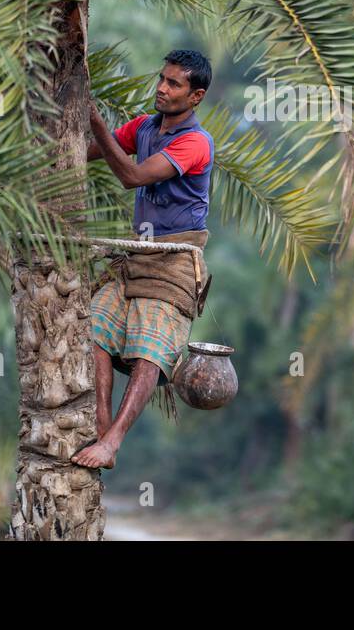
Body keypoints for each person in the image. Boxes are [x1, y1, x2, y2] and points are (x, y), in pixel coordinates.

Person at [71, 49, 214, 469]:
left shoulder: (195, 144)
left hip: (173, 262)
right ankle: (100, 423)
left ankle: (114, 441)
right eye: (162, 79)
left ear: (196, 96)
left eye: (174, 84)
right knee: (95, 325)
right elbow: (88, 150)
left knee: (149, 350)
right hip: (138, 253)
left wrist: (95, 119)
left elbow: (131, 176)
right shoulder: (146, 127)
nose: (162, 88)